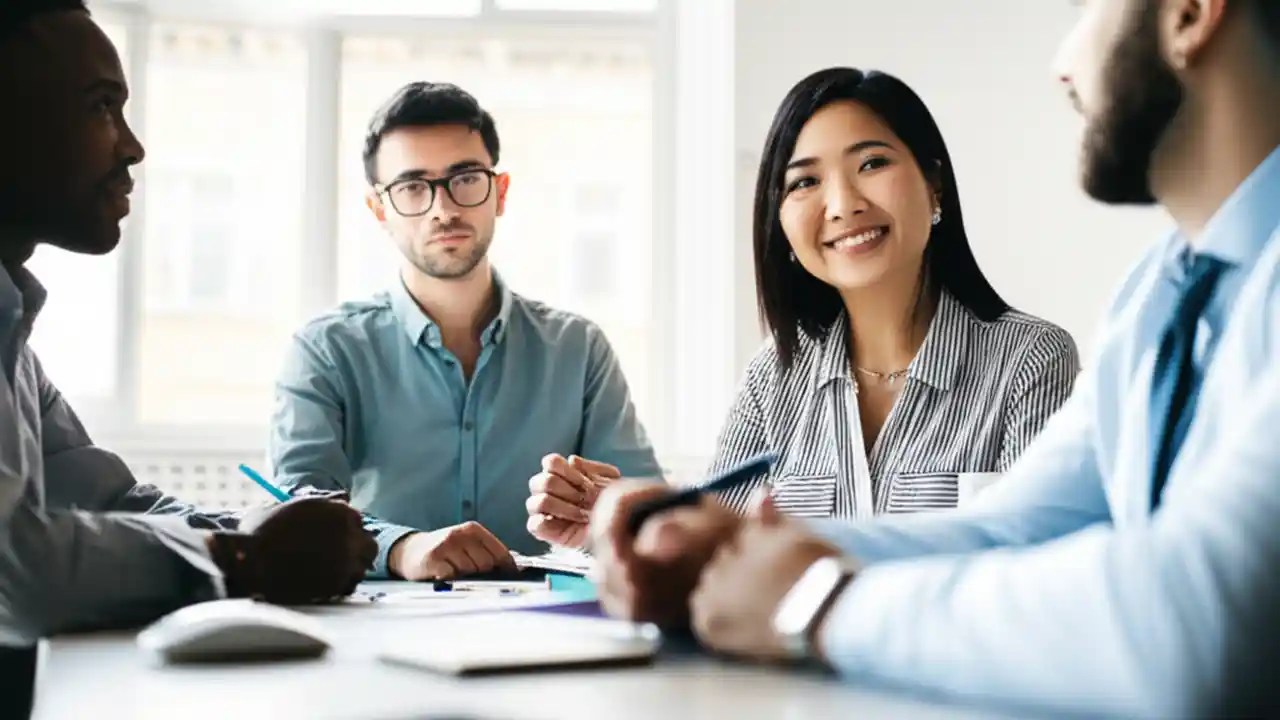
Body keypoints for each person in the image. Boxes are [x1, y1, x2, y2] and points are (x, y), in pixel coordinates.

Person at [590, 0, 1280, 716]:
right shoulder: (1158, 294)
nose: (1062, 65)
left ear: (1191, 13)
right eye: (804, 181)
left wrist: (821, 603)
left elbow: (1203, 626)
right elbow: (1011, 528)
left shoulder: (1041, 352)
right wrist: (722, 546)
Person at [0, 2, 377, 716]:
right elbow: (15, 577)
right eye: (102, 107)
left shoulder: (11, 323)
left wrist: (249, 529)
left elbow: (106, 496)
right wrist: (245, 560)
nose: (133, 147)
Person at [528, 68, 1078, 547]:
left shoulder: (1031, 360)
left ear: (934, 185)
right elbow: (713, 547)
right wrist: (616, 522)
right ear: (782, 225)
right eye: (806, 181)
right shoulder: (775, 375)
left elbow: (1030, 562)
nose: (842, 205)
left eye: (871, 163)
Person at [270, 81, 661, 581]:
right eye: (412, 187)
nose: (443, 208)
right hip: (382, 619)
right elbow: (295, 510)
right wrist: (400, 549)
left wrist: (612, 513)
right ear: (379, 210)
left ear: (499, 193)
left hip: (543, 621)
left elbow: (647, 511)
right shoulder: (325, 349)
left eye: (465, 178)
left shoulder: (579, 350)